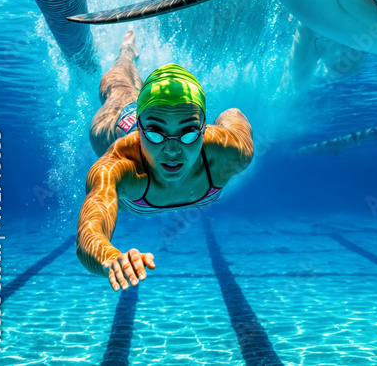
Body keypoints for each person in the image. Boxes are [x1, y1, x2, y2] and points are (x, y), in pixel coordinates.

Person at [76, 30, 254, 291]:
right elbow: (90, 232)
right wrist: (110, 258)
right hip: (116, 122)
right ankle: (127, 51)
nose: (172, 150)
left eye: (189, 132)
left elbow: (233, 113)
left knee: (134, 94)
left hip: (155, 116)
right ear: (139, 128)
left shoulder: (231, 152)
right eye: (157, 134)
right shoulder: (119, 165)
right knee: (116, 86)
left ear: (204, 128)